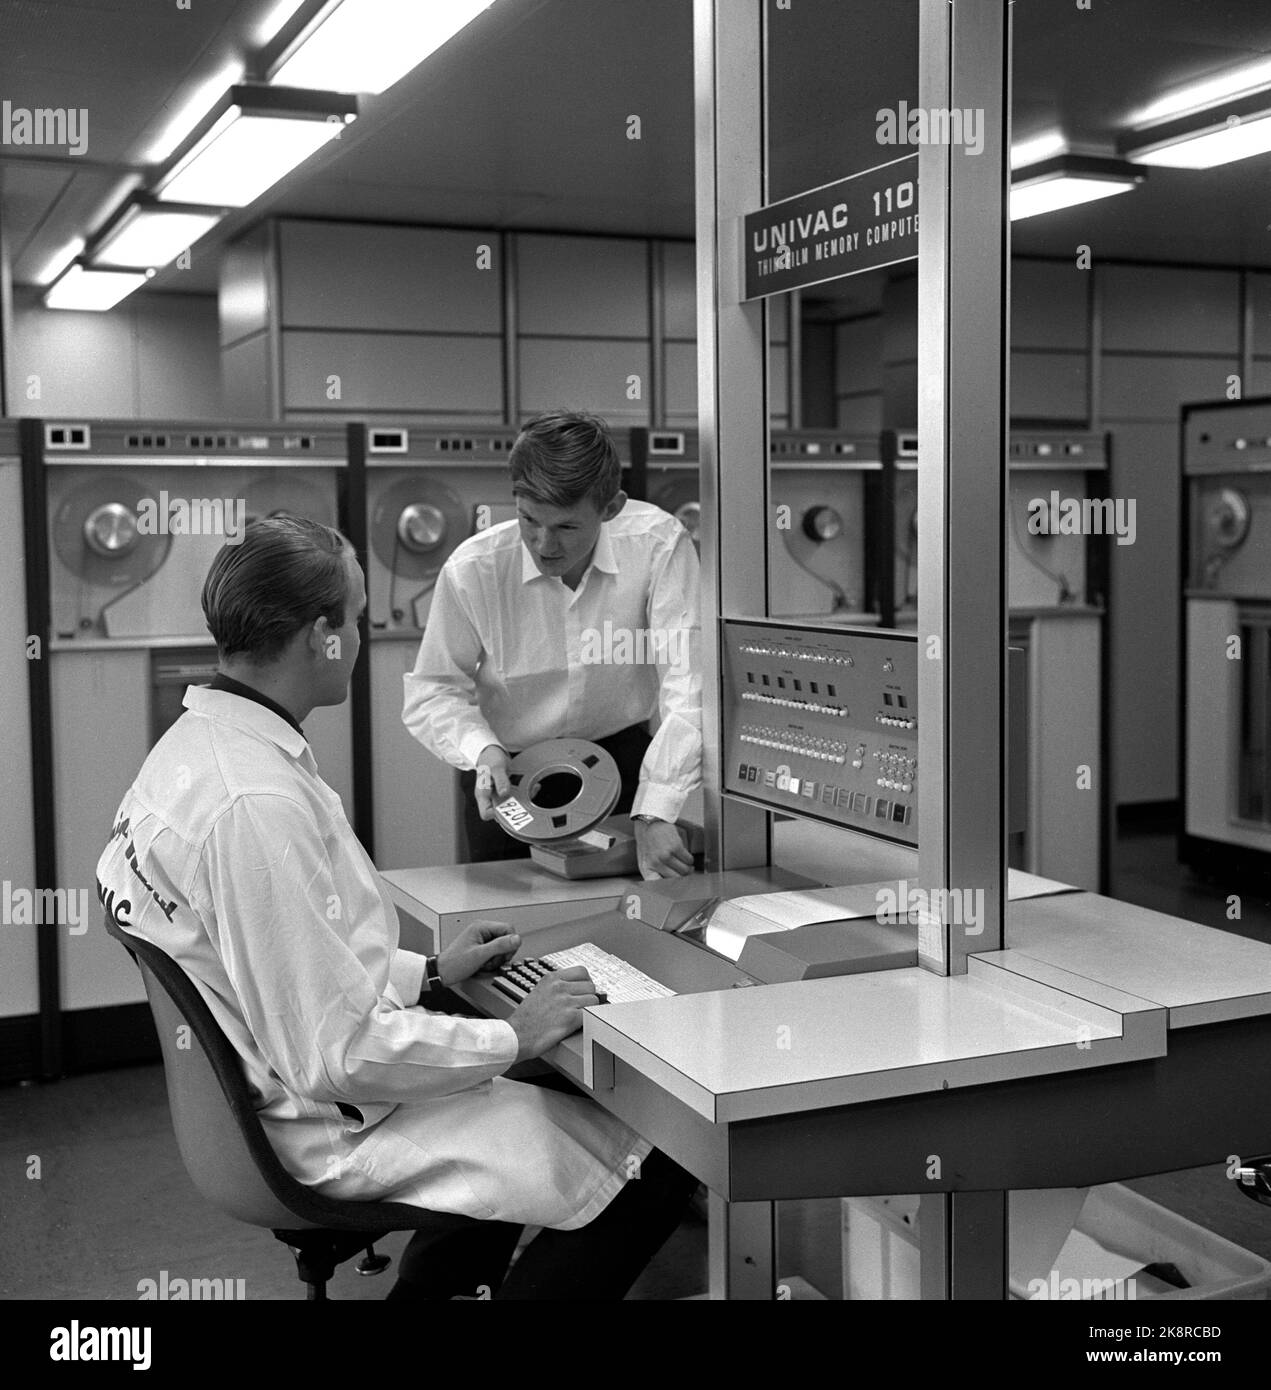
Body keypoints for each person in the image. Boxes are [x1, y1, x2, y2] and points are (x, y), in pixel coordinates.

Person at [95, 514, 697, 1300]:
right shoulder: (252, 804)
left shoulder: (194, 752)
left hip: (288, 1082)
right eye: (357, 615)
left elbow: (278, 955)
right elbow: (334, 1053)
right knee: (649, 1168)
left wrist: (431, 972)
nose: (361, 630)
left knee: (540, 1092)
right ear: (321, 636)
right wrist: (509, 1033)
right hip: (333, 1122)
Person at [403, 411, 700, 879]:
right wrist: (482, 749)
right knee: (507, 929)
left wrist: (657, 806)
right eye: (529, 520)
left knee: (621, 926)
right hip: (507, 774)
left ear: (611, 507)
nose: (544, 544)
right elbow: (434, 690)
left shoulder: (657, 543)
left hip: (620, 771)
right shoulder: (474, 569)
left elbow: (689, 683)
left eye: (566, 527)